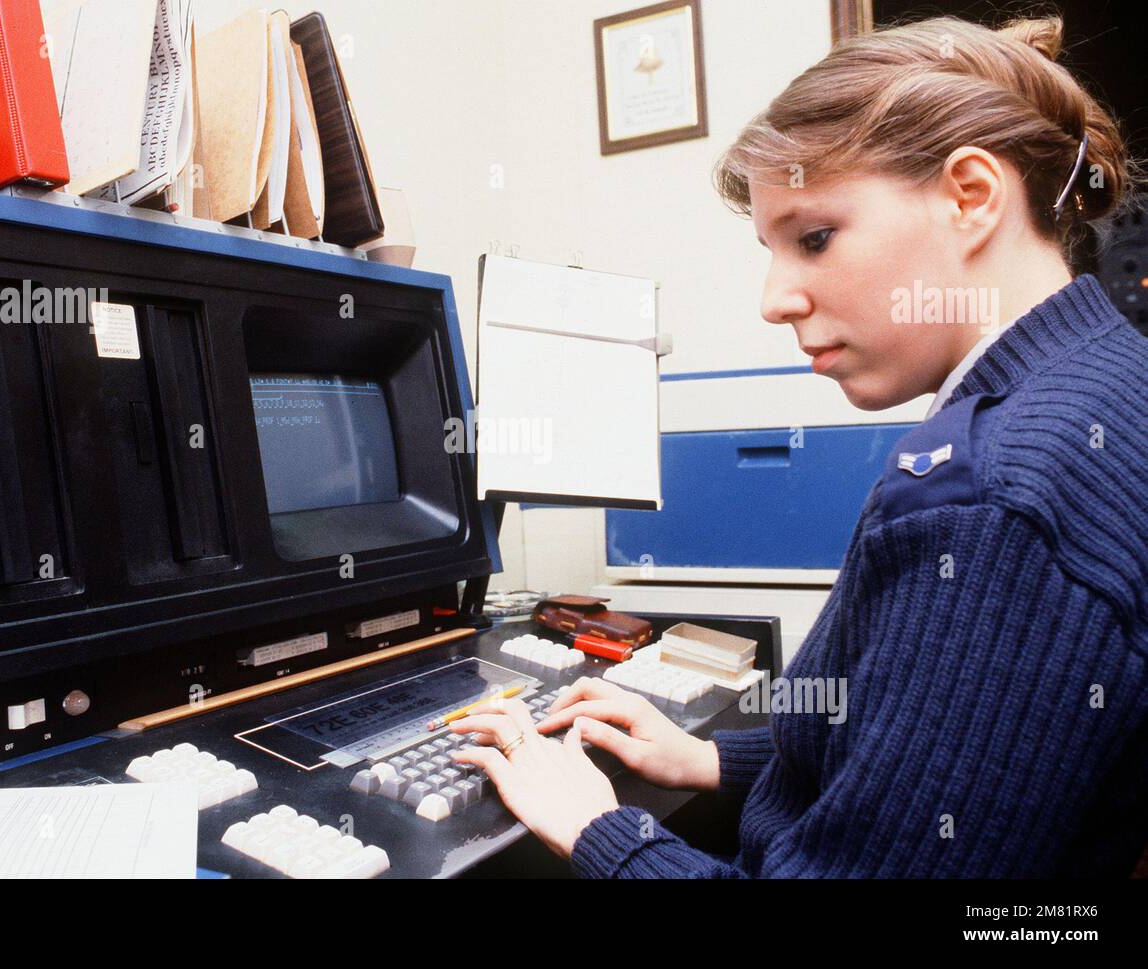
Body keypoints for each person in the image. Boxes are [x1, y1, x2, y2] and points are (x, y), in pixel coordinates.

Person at [450, 14, 1148, 877]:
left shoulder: (991, 498)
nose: (774, 299)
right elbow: (938, 761)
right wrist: (715, 759)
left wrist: (601, 830)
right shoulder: (1104, 376)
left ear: (971, 196)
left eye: (814, 238)